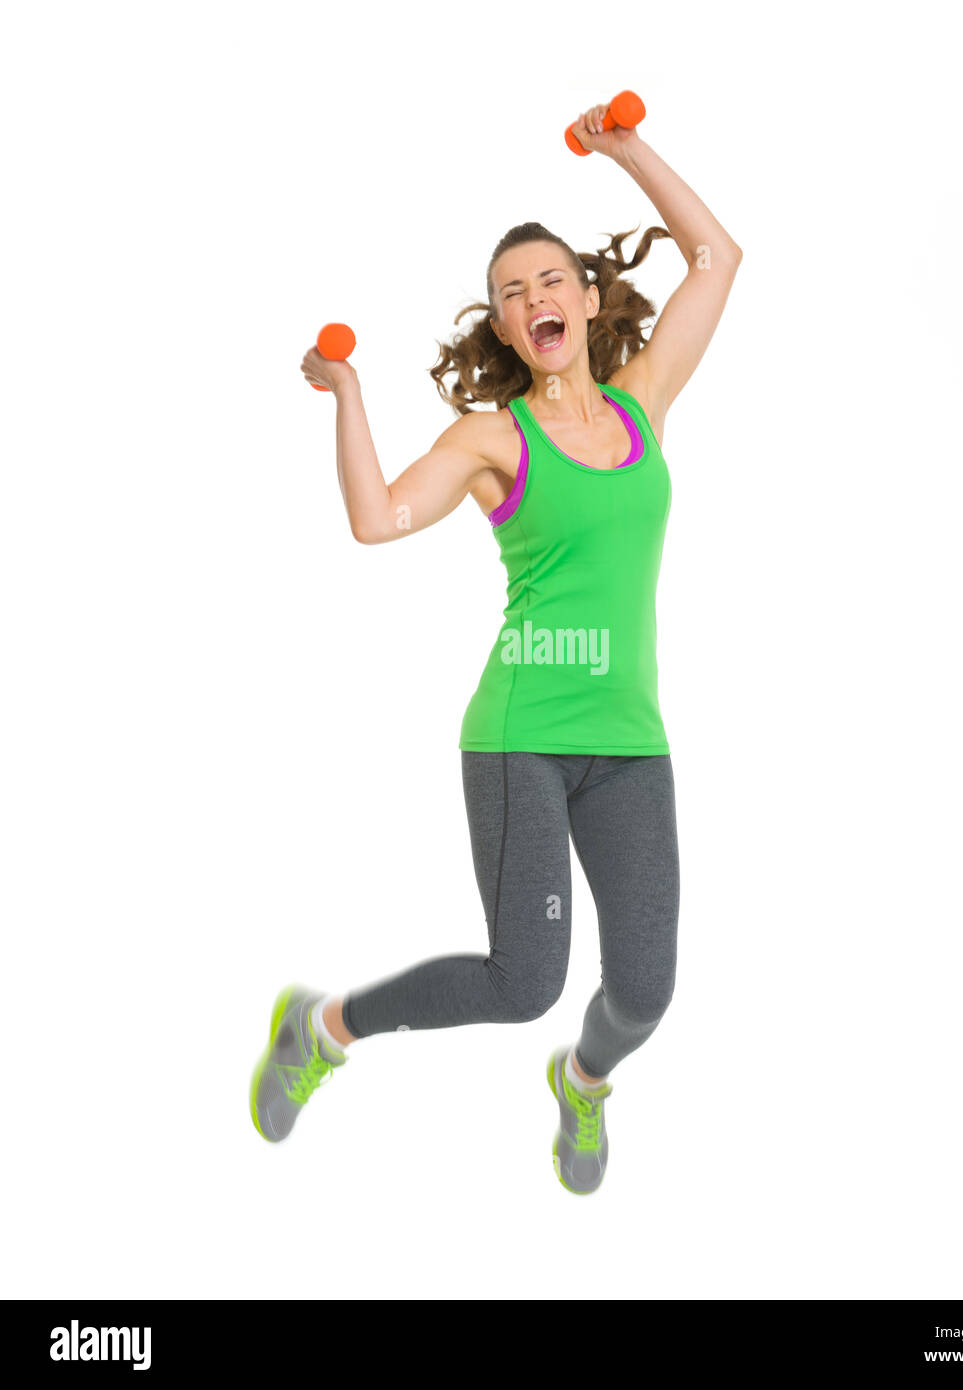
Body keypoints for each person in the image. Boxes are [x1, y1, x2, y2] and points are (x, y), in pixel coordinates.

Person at [250, 103, 743, 1194]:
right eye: (511, 292)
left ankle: (582, 1083)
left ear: (586, 297)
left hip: (628, 741)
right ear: (507, 328)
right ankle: (322, 1029)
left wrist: (618, 151)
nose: (533, 299)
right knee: (525, 979)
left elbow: (717, 256)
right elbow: (376, 517)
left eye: (549, 279)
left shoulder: (643, 403)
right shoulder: (491, 439)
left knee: (645, 993)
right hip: (520, 734)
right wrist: (347, 396)